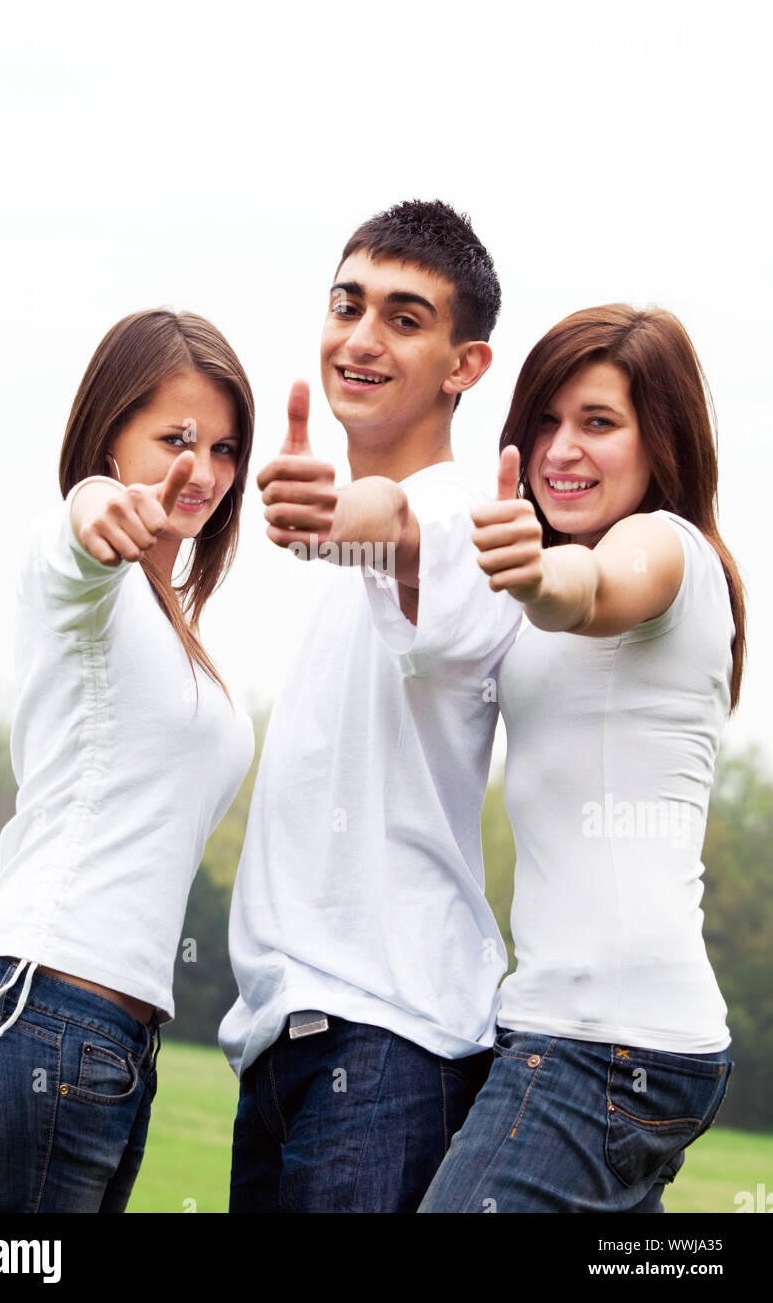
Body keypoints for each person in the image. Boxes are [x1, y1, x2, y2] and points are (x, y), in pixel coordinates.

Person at [219, 199, 522, 1213]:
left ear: (463, 365)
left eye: (402, 317)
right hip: (287, 1046)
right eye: (346, 304)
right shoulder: (345, 584)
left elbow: (388, 523)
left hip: (386, 1049)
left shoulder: (468, 529)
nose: (359, 337)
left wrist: (323, 518)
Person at [0, 309, 255, 1212]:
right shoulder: (86, 581)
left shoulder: (164, 620)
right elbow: (65, 544)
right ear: (108, 436)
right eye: (175, 438)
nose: (206, 471)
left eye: (226, 448)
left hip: (105, 1041)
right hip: (40, 1019)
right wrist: (90, 509)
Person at [419, 303, 745, 1214]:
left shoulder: (663, 548)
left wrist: (537, 577)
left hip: (602, 1038)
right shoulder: (560, 581)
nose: (563, 448)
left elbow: (588, 591)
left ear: (660, 442)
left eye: (598, 423)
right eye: (547, 422)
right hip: (619, 1033)